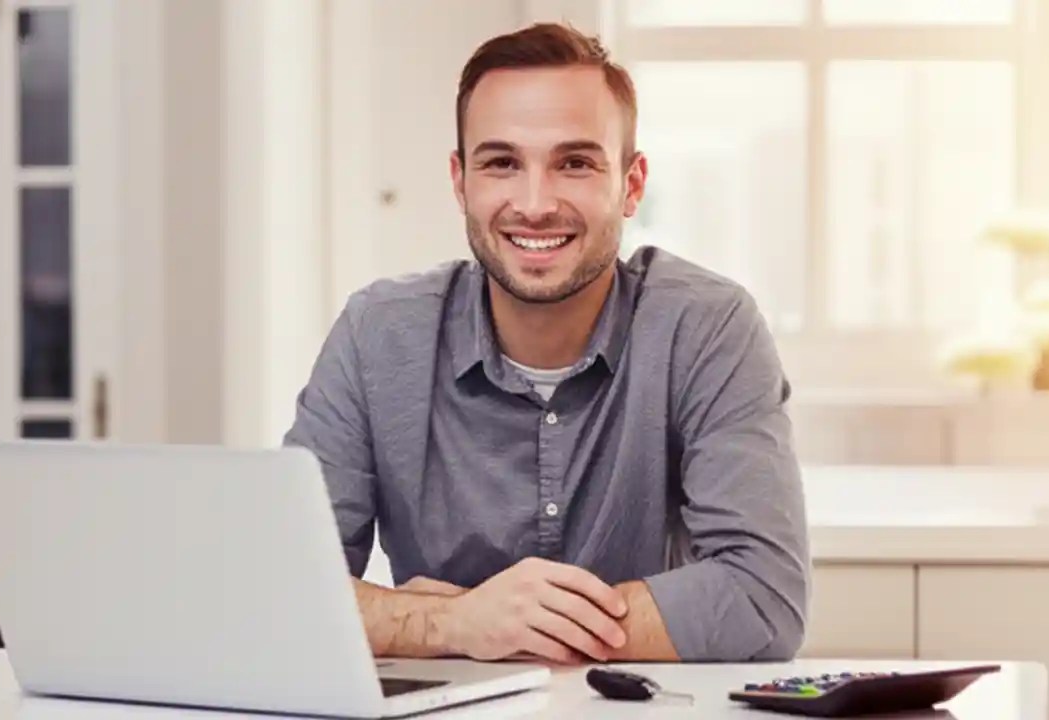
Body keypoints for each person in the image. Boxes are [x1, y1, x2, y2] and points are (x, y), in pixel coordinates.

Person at [283, 22, 809, 664]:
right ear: (460, 182)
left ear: (632, 185)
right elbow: (279, 593)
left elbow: (763, 600)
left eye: (576, 163)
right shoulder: (378, 335)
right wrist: (452, 625)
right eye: (502, 163)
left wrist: (461, 620)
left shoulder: (707, 326)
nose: (534, 204)